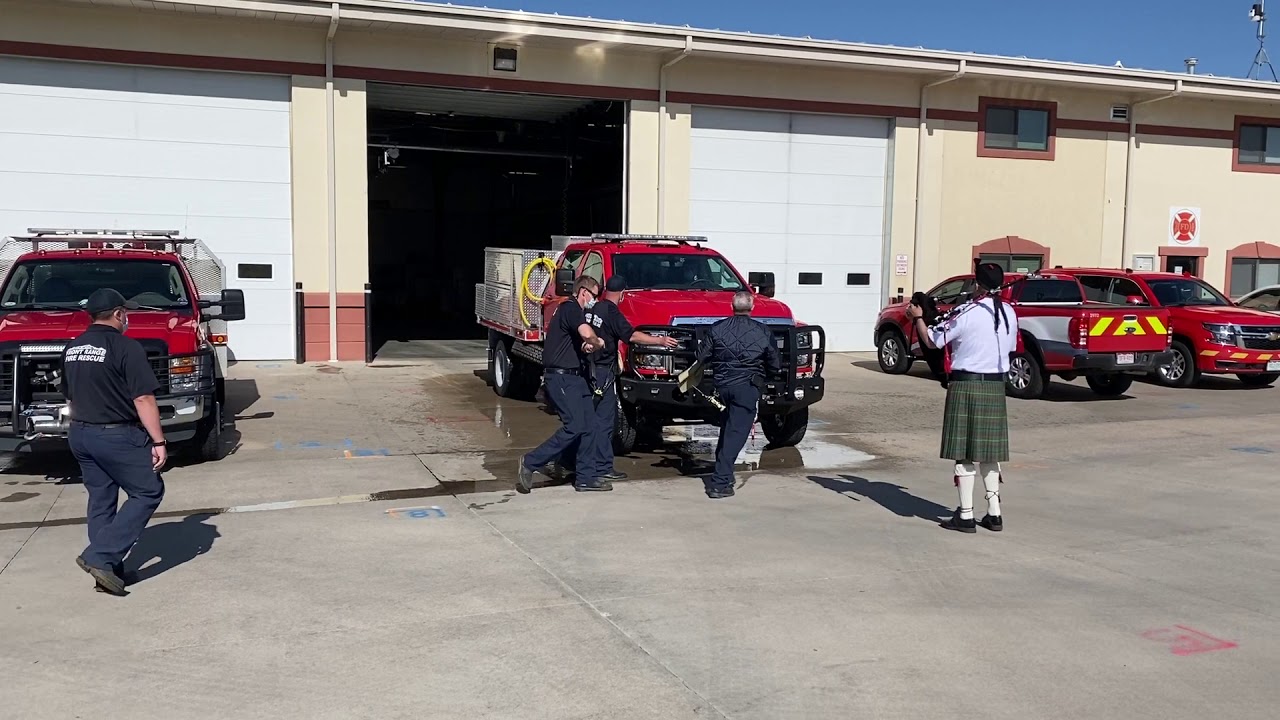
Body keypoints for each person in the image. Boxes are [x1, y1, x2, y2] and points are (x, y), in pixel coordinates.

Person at [63, 288, 168, 596]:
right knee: (148, 491)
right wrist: (158, 440)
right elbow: (143, 398)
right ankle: (100, 556)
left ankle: (108, 573)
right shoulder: (126, 347)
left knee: (101, 499)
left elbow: (68, 393)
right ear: (119, 314)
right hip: (116, 435)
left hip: (81, 434)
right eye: (126, 313)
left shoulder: (73, 347)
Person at [907, 262, 1018, 534]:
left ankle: (966, 515)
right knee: (990, 454)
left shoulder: (966, 312)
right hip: (996, 386)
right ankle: (994, 514)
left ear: (977, 284)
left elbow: (932, 341)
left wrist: (918, 318)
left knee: (964, 454)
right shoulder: (1010, 313)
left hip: (967, 384)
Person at [558, 275, 679, 483]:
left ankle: (568, 459)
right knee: (605, 421)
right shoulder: (611, 311)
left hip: (585, 370)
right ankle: (603, 466)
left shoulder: (588, 309)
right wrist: (660, 340)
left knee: (584, 419)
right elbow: (631, 336)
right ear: (622, 294)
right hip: (603, 373)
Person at [517, 276, 608, 494]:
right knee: (574, 425)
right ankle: (531, 462)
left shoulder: (573, 312)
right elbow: (587, 334)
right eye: (594, 296)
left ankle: (585, 478)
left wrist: (586, 347)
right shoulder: (570, 308)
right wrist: (597, 341)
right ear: (583, 292)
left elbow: (573, 343)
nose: (595, 301)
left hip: (576, 378)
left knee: (590, 425)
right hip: (562, 378)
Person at [695, 291, 781, 499]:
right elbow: (775, 363)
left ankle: (724, 475)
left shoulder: (717, 328)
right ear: (752, 307)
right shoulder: (762, 331)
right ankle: (720, 482)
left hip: (722, 387)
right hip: (747, 387)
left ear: (731, 307)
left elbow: (701, 356)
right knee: (736, 434)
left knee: (728, 430)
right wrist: (766, 378)